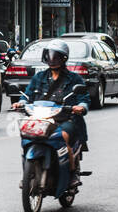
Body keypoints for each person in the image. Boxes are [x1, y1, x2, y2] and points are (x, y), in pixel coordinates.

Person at [12, 40, 90, 181]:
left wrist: (81, 106)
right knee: (26, 136)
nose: (52, 59)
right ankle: (28, 174)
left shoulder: (74, 78)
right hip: (41, 118)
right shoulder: (39, 77)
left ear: (64, 58)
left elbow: (83, 98)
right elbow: (28, 95)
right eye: (49, 56)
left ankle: (72, 174)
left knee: (64, 137)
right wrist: (20, 103)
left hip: (65, 119)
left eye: (56, 56)